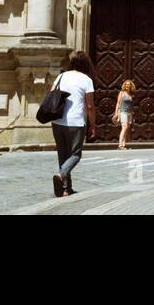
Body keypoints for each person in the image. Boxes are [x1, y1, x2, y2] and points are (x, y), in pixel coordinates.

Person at [51, 51, 96, 198]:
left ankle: (66, 189)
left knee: (62, 154)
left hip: (58, 121)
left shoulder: (61, 76)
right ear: (86, 65)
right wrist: (93, 125)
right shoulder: (86, 80)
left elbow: (52, 93)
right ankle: (61, 174)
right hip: (76, 122)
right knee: (75, 154)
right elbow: (90, 106)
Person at [113, 80, 136, 150]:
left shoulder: (131, 94)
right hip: (123, 112)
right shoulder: (121, 93)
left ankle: (123, 145)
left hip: (129, 113)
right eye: (126, 84)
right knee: (124, 127)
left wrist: (133, 114)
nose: (127, 85)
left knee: (127, 128)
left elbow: (131, 105)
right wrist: (116, 113)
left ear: (131, 86)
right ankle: (120, 145)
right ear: (124, 85)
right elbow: (118, 103)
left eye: (129, 84)